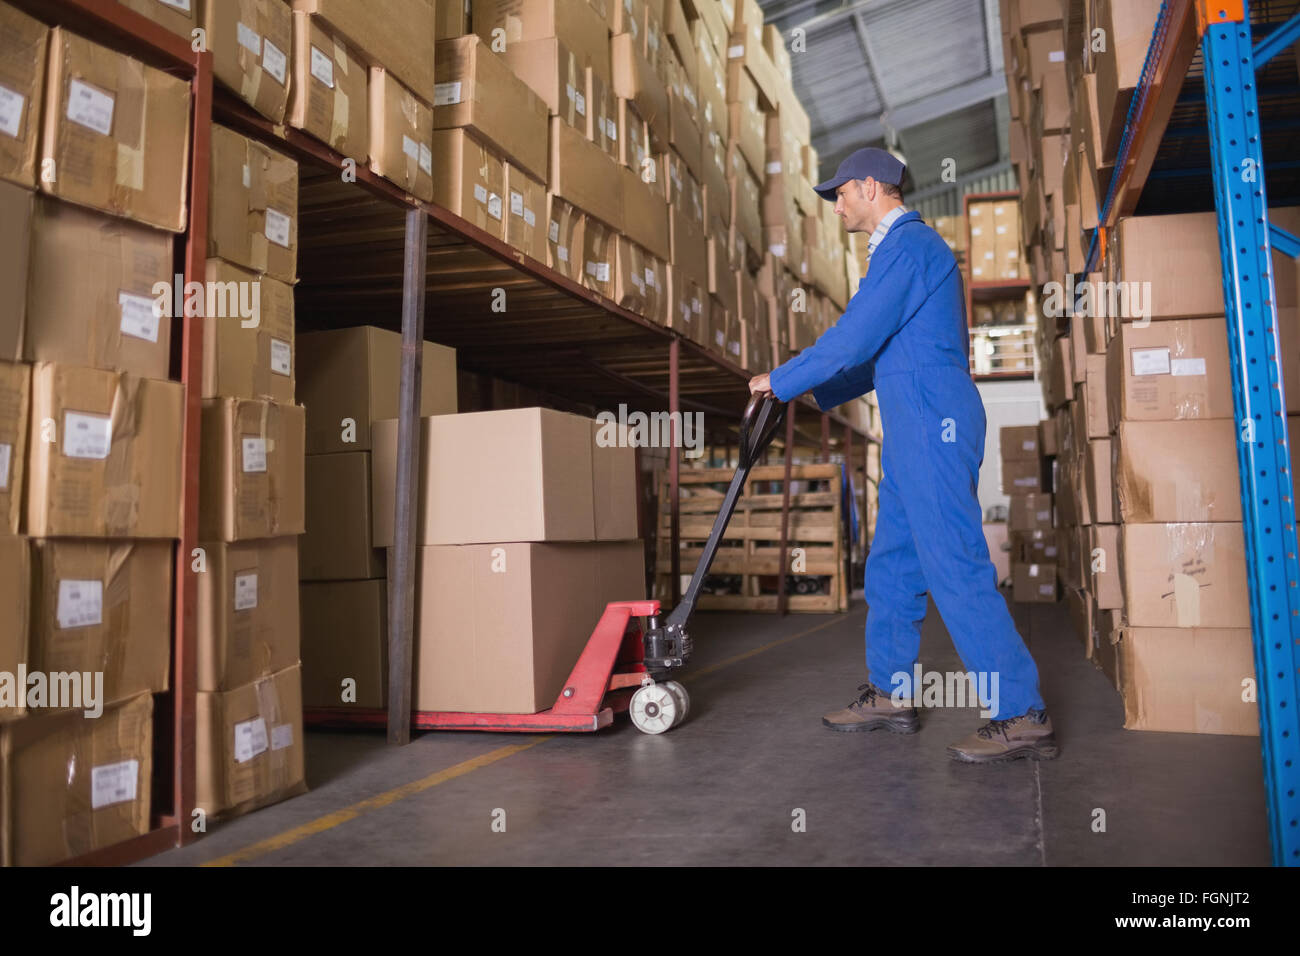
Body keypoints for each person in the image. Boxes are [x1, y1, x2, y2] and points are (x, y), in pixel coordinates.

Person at [748, 147, 1058, 763]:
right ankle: (892, 693)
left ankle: (1021, 711)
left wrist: (782, 378)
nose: (836, 204)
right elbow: (874, 355)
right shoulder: (895, 255)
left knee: (955, 563)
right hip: (915, 422)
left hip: (933, 421)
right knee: (893, 563)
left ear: (872, 187)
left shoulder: (910, 247)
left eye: (841, 192)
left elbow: (858, 334)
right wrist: (814, 388)